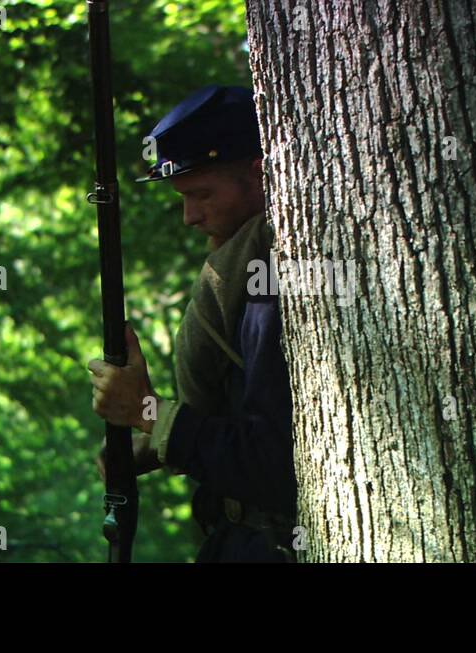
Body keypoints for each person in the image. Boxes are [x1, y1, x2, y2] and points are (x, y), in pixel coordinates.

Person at [88, 85, 297, 562]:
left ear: (260, 174)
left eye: (202, 194)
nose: (188, 216)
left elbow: (276, 463)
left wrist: (150, 415)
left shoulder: (270, 284)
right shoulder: (243, 268)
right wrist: (155, 445)